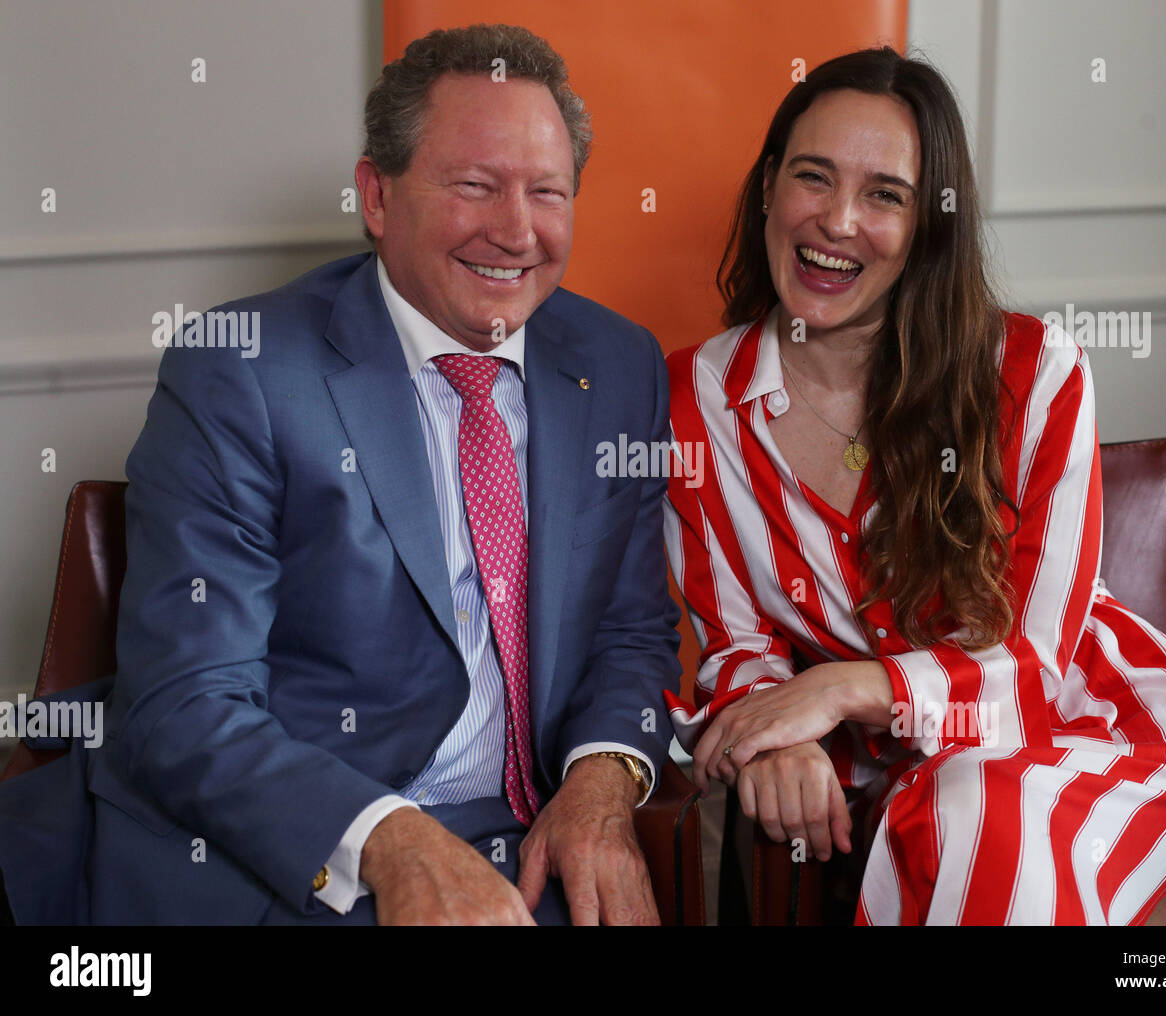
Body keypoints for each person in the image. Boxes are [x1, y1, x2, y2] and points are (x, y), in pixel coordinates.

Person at [0, 24, 680, 925]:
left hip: (524, 841)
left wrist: (601, 784)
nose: (516, 231)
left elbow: (632, 632)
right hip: (286, 847)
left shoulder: (618, 363)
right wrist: (393, 843)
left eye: (547, 193)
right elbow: (187, 703)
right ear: (376, 195)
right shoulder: (239, 369)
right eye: (475, 185)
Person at [663, 47, 1166, 925]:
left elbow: (1030, 672)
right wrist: (776, 739)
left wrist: (840, 687)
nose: (838, 220)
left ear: (928, 226)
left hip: (1107, 729)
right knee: (967, 812)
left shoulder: (1034, 369)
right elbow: (735, 644)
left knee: (980, 815)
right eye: (812, 176)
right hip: (924, 774)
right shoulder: (699, 399)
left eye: (885, 195)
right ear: (768, 189)